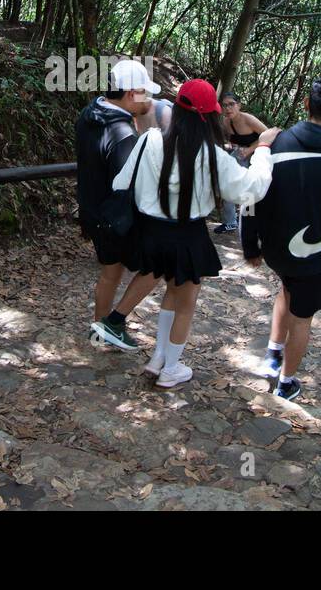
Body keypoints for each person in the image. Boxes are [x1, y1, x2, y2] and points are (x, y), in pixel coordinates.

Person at [111, 79, 279, 388]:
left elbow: (121, 183)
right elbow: (251, 189)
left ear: (176, 107)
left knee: (172, 293)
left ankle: (159, 357)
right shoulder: (212, 155)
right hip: (187, 236)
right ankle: (171, 368)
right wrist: (264, 150)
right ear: (208, 116)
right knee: (186, 300)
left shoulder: (150, 139)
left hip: (151, 232)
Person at [241, 76, 321, 401]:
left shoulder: (276, 144)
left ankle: (273, 354)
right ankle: (286, 381)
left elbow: (253, 195)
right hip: (314, 256)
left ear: (306, 103)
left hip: (277, 250)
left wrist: (250, 244)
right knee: (303, 317)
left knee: (286, 289)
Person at [75, 59, 161, 349]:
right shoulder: (123, 135)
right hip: (116, 217)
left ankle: (100, 329)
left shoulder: (89, 113)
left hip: (92, 210)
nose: (148, 99)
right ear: (130, 93)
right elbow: (132, 181)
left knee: (110, 272)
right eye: (143, 94)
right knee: (158, 263)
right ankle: (114, 322)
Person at [216, 92, 268, 234]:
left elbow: (268, 135)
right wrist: (232, 146)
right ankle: (230, 222)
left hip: (257, 154)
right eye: (225, 105)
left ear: (239, 105)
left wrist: (250, 149)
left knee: (249, 188)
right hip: (240, 154)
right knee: (226, 181)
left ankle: (248, 220)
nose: (228, 108)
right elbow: (230, 139)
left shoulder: (248, 119)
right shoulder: (226, 122)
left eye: (231, 104)